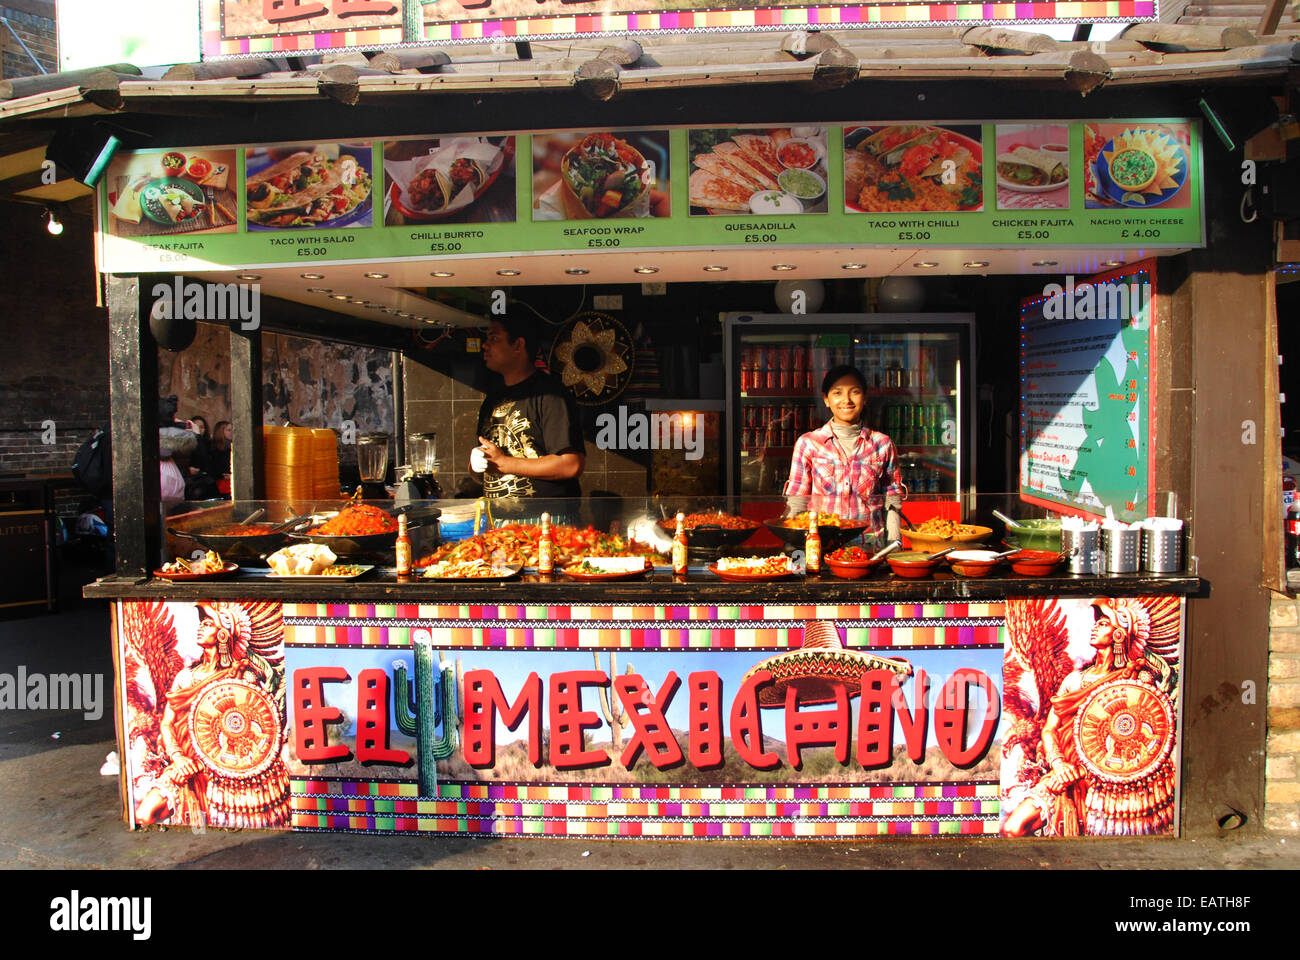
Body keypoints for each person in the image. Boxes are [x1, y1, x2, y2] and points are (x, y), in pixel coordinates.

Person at [473, 316, 585, 514]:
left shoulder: (549, 395)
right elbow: (489, 463)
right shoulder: (492, 399)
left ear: (518, 345)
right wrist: (476, 463)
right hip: (498, 525)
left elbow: (571, 465)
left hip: (547, 526)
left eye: (494, 338)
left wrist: (504, 463)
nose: (485, 345)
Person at [783, 364, 904, 541]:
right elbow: (797, 501)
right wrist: (791, 544)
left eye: (854, 392)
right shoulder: (808, 443)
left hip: (869, 546)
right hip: (822, 546)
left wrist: (894, 543)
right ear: (826, 399)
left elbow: (892, 501)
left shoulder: (882, 444)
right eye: (837, 393)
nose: (846, 400)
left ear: (865, 397)